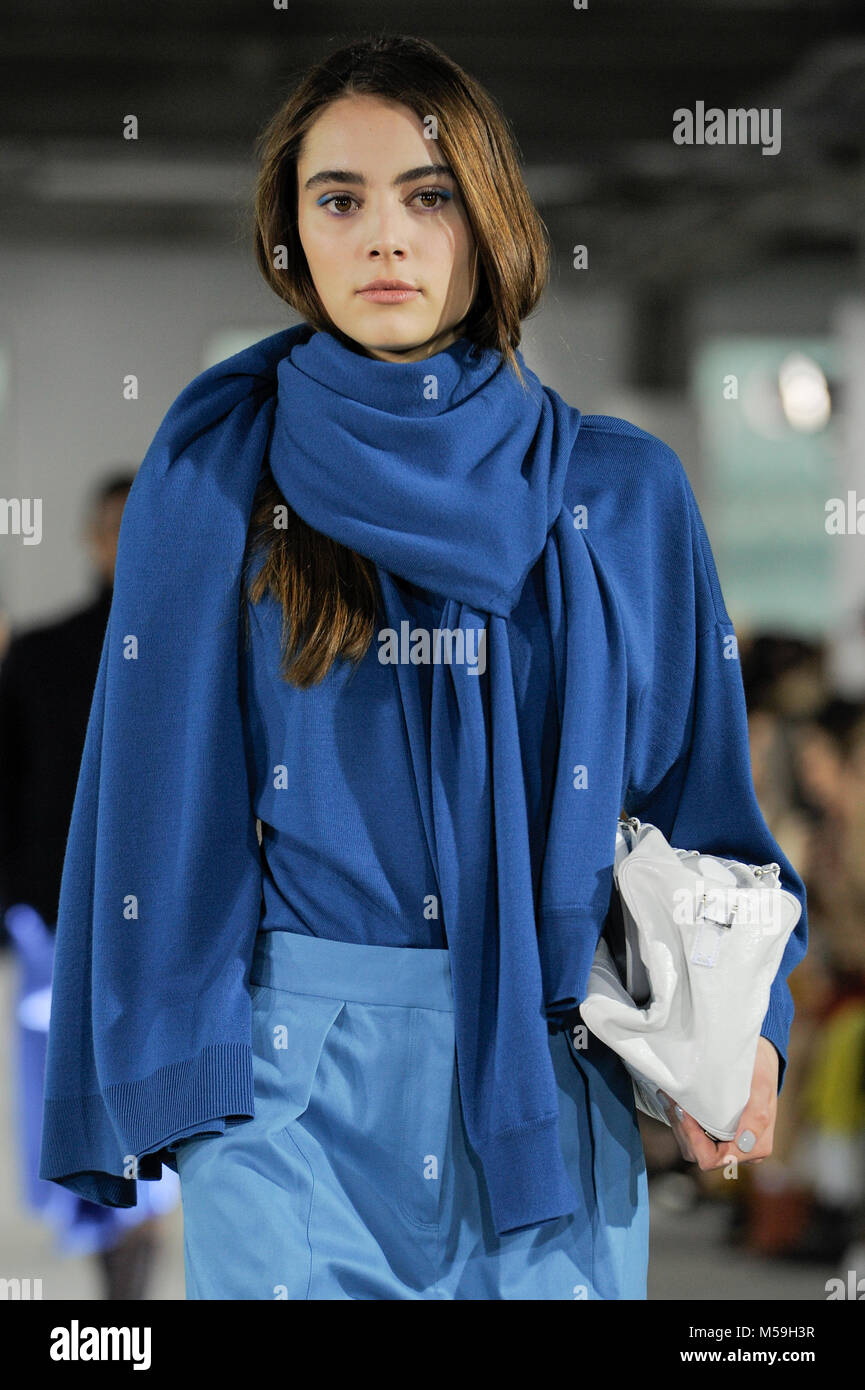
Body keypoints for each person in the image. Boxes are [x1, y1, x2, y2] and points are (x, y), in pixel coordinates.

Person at [38, 32, 808, 1301]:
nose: (383, 238)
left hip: (551, 1065)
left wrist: (752, 1035)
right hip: (288, 1090)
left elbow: (702, 800)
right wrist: (166, 1060)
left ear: (487, 218)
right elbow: (152, 804)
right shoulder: (219, 477)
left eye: (427, 194)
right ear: (290, 237)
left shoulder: (620, 491)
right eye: (338, 200)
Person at [0, 473, 179, 1298]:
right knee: (71, 1107)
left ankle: (130, 1280)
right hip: (57, 921)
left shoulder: (196, 653)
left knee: (153, 1100)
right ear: (92, 539)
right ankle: (116, 1286)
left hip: (167, 924)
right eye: (113, 528)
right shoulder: (40, 656)